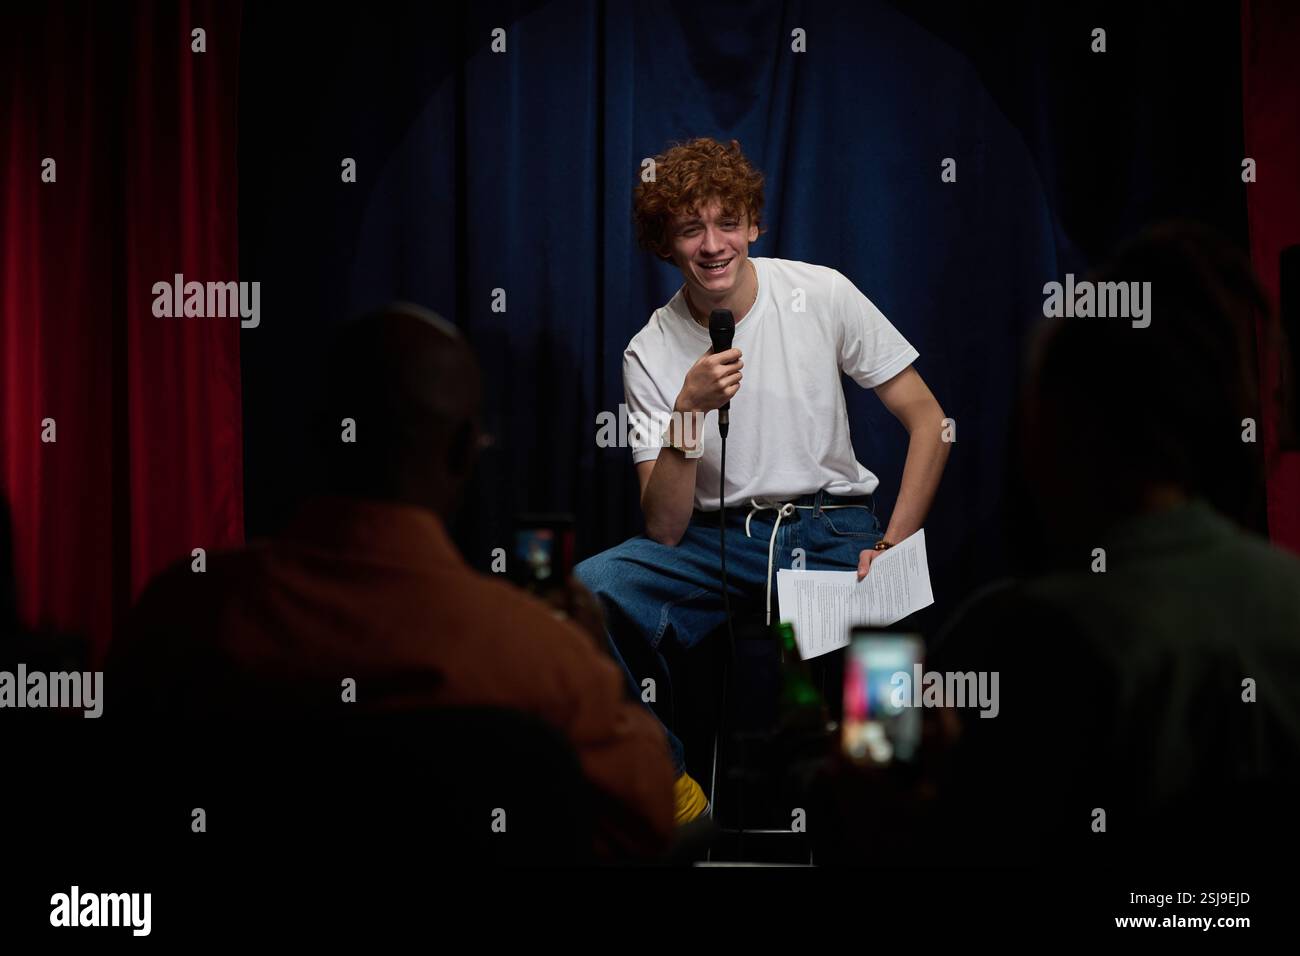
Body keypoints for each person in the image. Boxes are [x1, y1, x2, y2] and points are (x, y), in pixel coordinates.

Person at [108, 304, 676, 860]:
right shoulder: (544, 656)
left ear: (315, 433)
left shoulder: (180, 613)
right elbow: (646, 819)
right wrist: (592, 657)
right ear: (461, 453)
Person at [824, 222, 1300, 868]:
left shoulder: (1009, 634)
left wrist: (858, 760)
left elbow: (872, 834)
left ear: (1059, 428)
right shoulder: (1287, 599)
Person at [575, 137, 950, 822]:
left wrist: (894, 544)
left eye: (727, 222)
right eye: (691, 228)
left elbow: (930, 421)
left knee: (895, 631)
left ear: (754, 224)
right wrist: (687, 411)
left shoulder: (821, 292)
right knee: (583, 594)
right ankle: (675, 792)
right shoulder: (650, 350)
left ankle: (883, 815)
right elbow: (663, 528)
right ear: (666, 243)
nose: (713, 244)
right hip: (713, 544)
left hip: (832, 529)